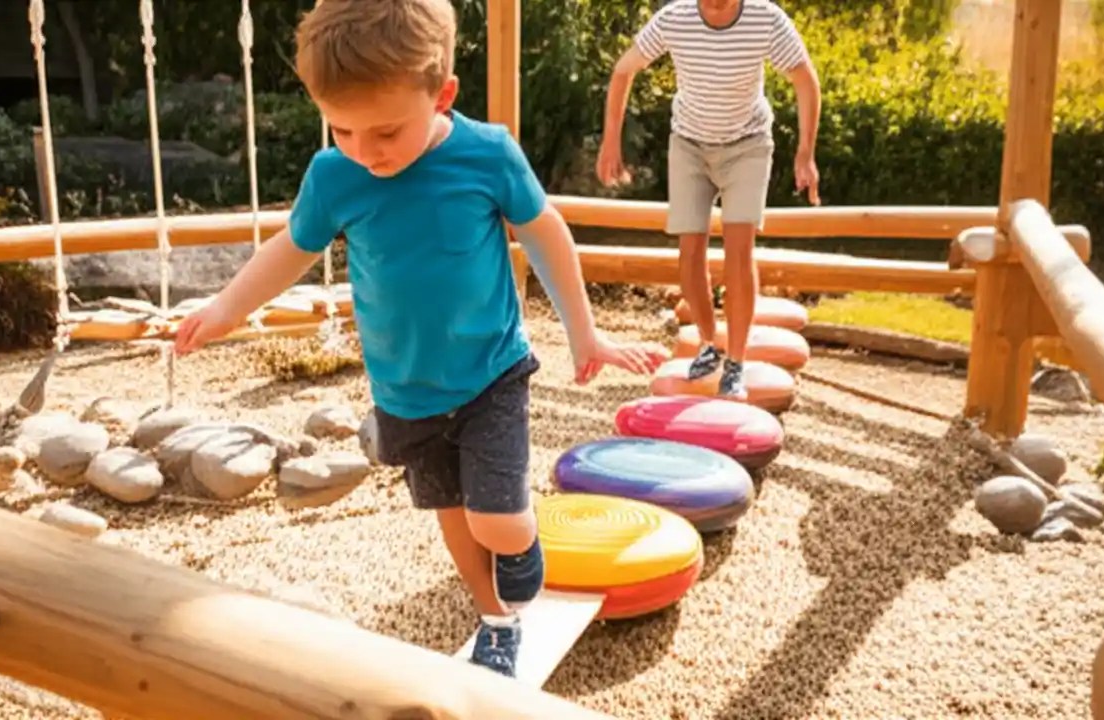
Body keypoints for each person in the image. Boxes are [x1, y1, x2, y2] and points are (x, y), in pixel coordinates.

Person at [173, 0, 668, 678]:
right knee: (452, 514)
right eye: (341, 128)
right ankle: (496, 620)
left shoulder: (486, 155)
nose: (364, 150)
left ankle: (520, 541)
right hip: (404, 393)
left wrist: (585, 334)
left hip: (491, 374)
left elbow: (546, 234)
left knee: (495, 523)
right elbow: (291, 248)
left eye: (385, 131)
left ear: (442, 95)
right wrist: (227, 307)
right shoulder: (335, 175)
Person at [597, 0, 821, 400]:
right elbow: (623, 70)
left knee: (739, 252)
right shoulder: (675, 18)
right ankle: (707, 343)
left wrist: (805, 152)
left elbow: (805, 79)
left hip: (748, 145)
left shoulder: (765, 18)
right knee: (689, 254)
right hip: (689, 145)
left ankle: (735, 363)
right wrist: (610, 141)